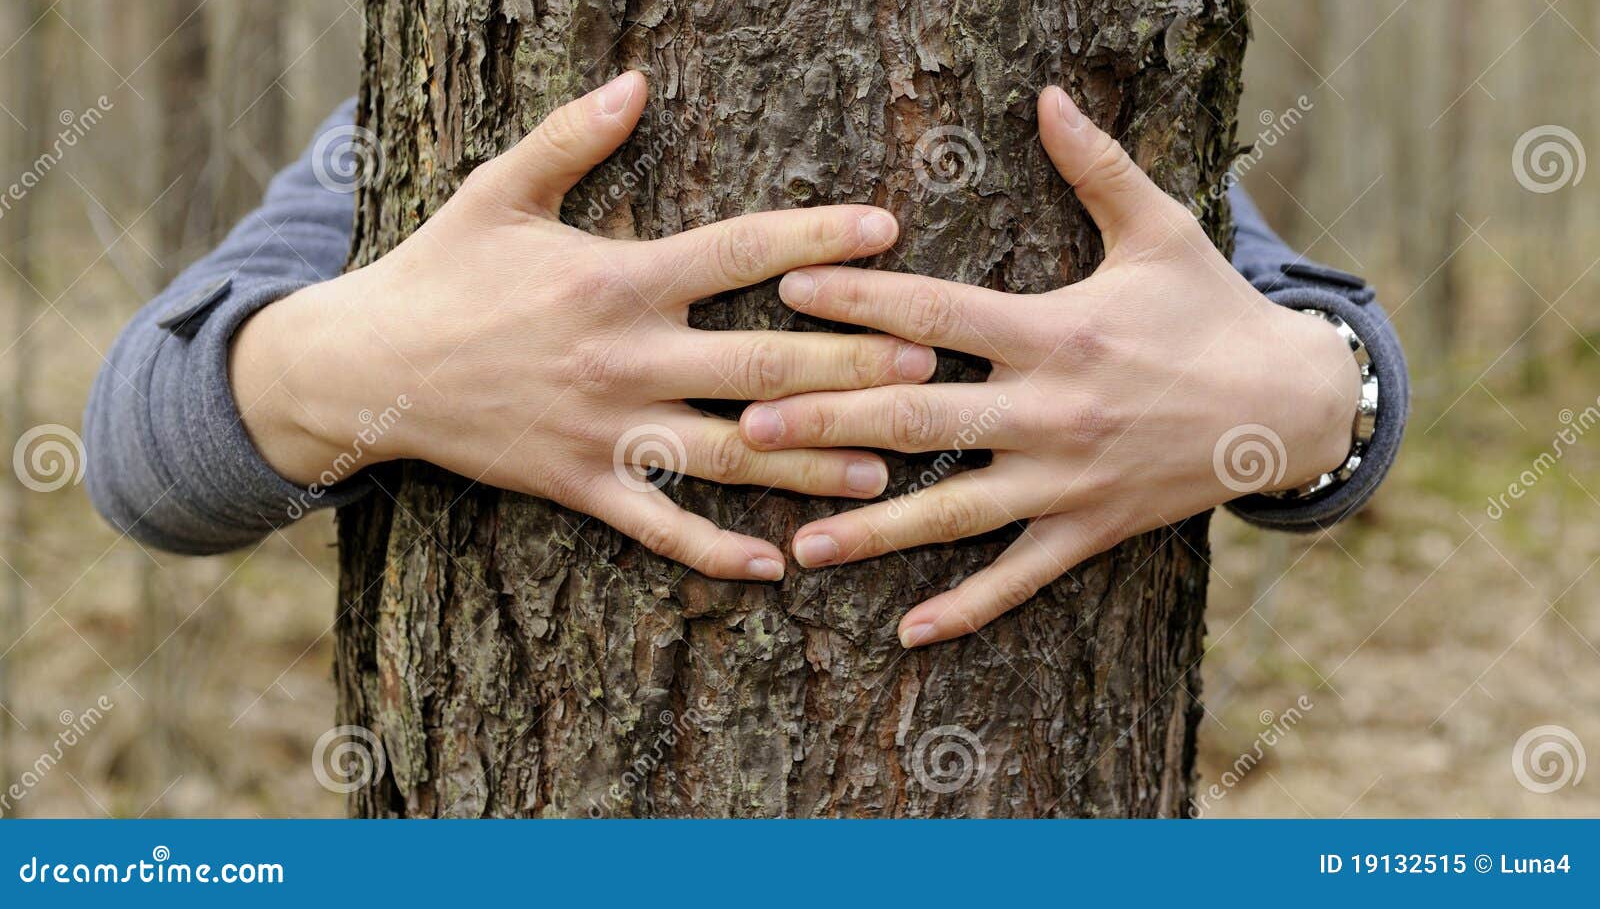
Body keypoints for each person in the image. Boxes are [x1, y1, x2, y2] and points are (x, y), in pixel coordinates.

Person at [84, 73, 1407, 647]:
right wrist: (366, 363)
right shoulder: (414, 124)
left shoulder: (1090, 92)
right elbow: (137, 453)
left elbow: (1328, 346)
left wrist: (1296, 398)